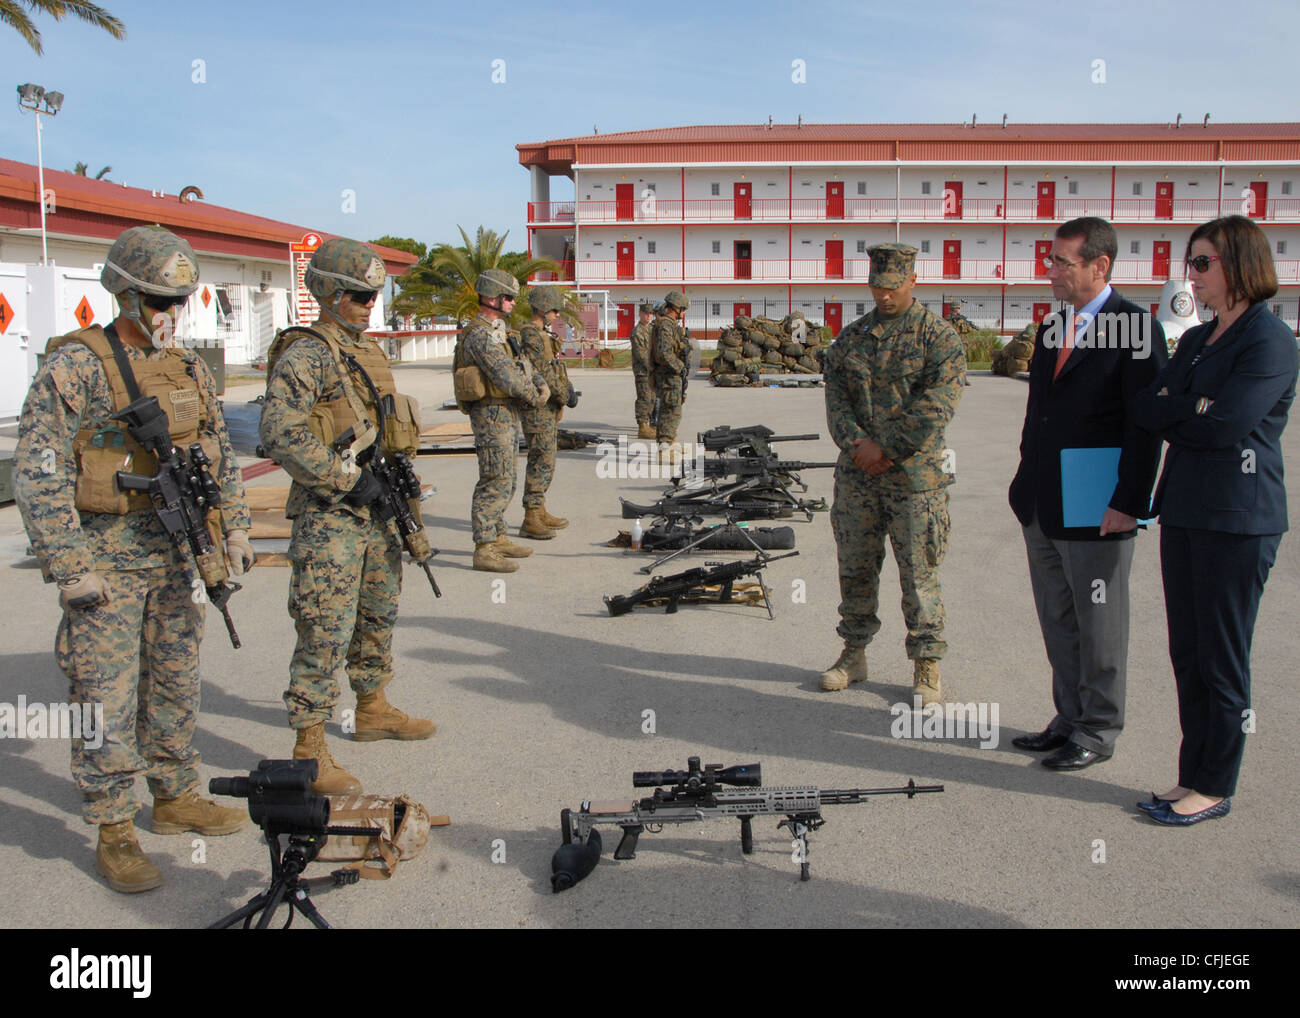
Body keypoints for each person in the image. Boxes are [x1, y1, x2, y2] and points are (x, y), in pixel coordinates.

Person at [13, 225, 252, 893]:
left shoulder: (188, 366)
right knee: (105, 694)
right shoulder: (76, 365)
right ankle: (114, 824)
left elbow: (217, 453)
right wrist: (68, 563)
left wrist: (231, 529)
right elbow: (39, 470)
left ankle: (174, 794)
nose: (168, 313)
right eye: (155, 299)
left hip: (179, 552)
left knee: (176, 677)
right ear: (122, 292)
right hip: (107, 559)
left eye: (179, 299)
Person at [1132, 215, 1296, 825]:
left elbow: (1228, 426)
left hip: (1239, 520)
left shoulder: (1269, 341)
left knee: (1223, 658)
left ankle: (1216, 784)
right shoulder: (1200, 341)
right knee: (1188, 653)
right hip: (1185, 512)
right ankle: (1191, 775)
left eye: (1203, 264)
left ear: (1240, 266)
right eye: (1190, 264)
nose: (1192, 276)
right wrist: (1189, 407)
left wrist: (1188, 409)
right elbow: (1148, 406)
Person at [260, 237, 434, 797]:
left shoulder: (368, 350)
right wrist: (347, 480)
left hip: (378, 506)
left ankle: (373, 705)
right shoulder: (308, 353)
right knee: (324, 626)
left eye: (373, 295)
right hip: (332, 512)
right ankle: (310, 744)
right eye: (357, 294)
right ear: (328, 293)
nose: (367, 304)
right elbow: (279, 433)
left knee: (378, 612)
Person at [1009, 217, 1167, 771]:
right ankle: (1069, 717)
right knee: (1058, 617)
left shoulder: (1137, 329)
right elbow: (1038, 414)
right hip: (1042, 502)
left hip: (1098, 506)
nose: (1050, 271)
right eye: (1050, 260)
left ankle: (1098, 730)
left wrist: (1129, 501)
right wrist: (1022, 482)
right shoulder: (1056, 325)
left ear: (1100, 266)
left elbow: (1144, 427)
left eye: (1062, 262)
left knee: (1099, 622)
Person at [820, 243, 965, 707]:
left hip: (915, 480)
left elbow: (936, 407)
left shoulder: (938, 337)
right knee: (856, 568)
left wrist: (886, 447)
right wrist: (857, 445)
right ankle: (854, 652)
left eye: (893, 287)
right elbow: (837, 399)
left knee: (919, 574)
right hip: (859, 477)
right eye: (877, 287)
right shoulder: (852, 338)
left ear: (912, 281)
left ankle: (926, 663)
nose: (884, 296)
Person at [453, 269, 550, 571]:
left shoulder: (499, 332)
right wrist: (536, 396)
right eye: (508, 297)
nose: (512, 303)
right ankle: (484, 547)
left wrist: (539, 383)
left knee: (507, 479)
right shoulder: (480, 335)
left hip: (506, 414)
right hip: (490, 415)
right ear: (492, 297)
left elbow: (521, 366)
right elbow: (505, 375)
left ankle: (498, 536)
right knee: (494, 479)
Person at [518, 285, 572, 540]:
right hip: (538, 408)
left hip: (548, 407)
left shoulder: (542, 334)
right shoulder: (530, 335)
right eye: (553, 308)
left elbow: (553, 367)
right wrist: (563, 393)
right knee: (541, 459)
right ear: (541, 308)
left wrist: (564, 392)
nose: (557, 313)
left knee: (547, 460)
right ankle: (531, 517)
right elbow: (542, 371)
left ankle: (539, 509)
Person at [651, 290, 691, 463]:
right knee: (671, 410)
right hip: (668, 374)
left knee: (672, 408)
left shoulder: (670, 324)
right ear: (676, 308)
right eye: (683, 310)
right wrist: (679, 366)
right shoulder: (665, 325)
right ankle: (664, 448)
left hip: (671, 374)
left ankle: (669, 441)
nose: (683, 313)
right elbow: (663, 353)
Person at [630, 302, 657, 439]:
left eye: (650, 313)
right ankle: (642, 427)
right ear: (640, 314)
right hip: (643, 371)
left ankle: (648, 424)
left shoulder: (653, 329)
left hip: (652, 370)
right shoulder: (637, 332)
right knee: (644, 398)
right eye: (646, 313)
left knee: (652, 398)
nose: (648, 316)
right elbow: (642, 355)